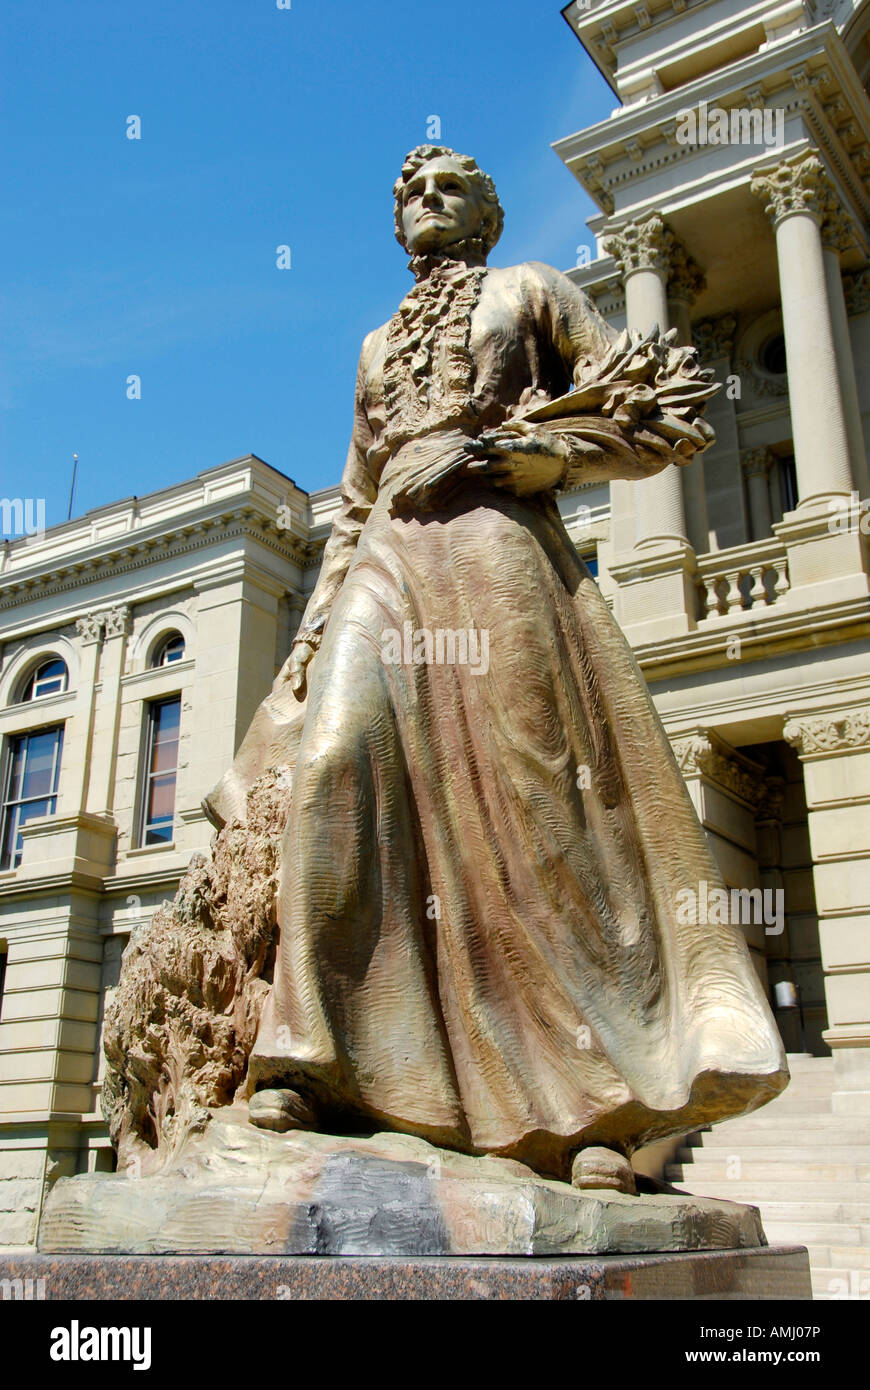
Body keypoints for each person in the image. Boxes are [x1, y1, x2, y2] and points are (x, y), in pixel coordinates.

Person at [207, 145, 787, 1191]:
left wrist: (542, 458)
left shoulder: (535, 292)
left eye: (448, 186)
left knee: (545, 814)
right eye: (407, 193)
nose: (425, 201)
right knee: (337, 767)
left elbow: (665, 410)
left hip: (498, 551)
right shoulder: (376, 342)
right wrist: (304, 642)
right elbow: (351, 501)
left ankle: (599, 1104)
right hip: (388, 558)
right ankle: (317, 1056)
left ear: (489, 208)